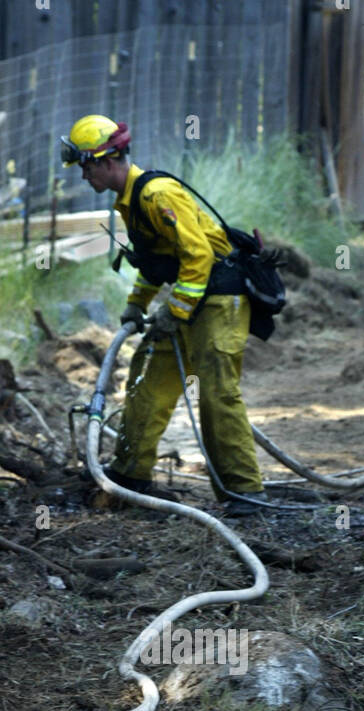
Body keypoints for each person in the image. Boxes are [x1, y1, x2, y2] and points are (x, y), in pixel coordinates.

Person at [60, 115, 267, 517]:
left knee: (217, 394)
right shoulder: (130, 200)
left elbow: (199, 255)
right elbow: (157, 261)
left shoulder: (157, 194)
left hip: (221, 301)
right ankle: (130, 477)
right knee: (147, 378)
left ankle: (244, 494)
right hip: (190, 299)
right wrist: (138, 303)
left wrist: (176, 310)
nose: (83, 176)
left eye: (86, 167)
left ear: (107, 160)